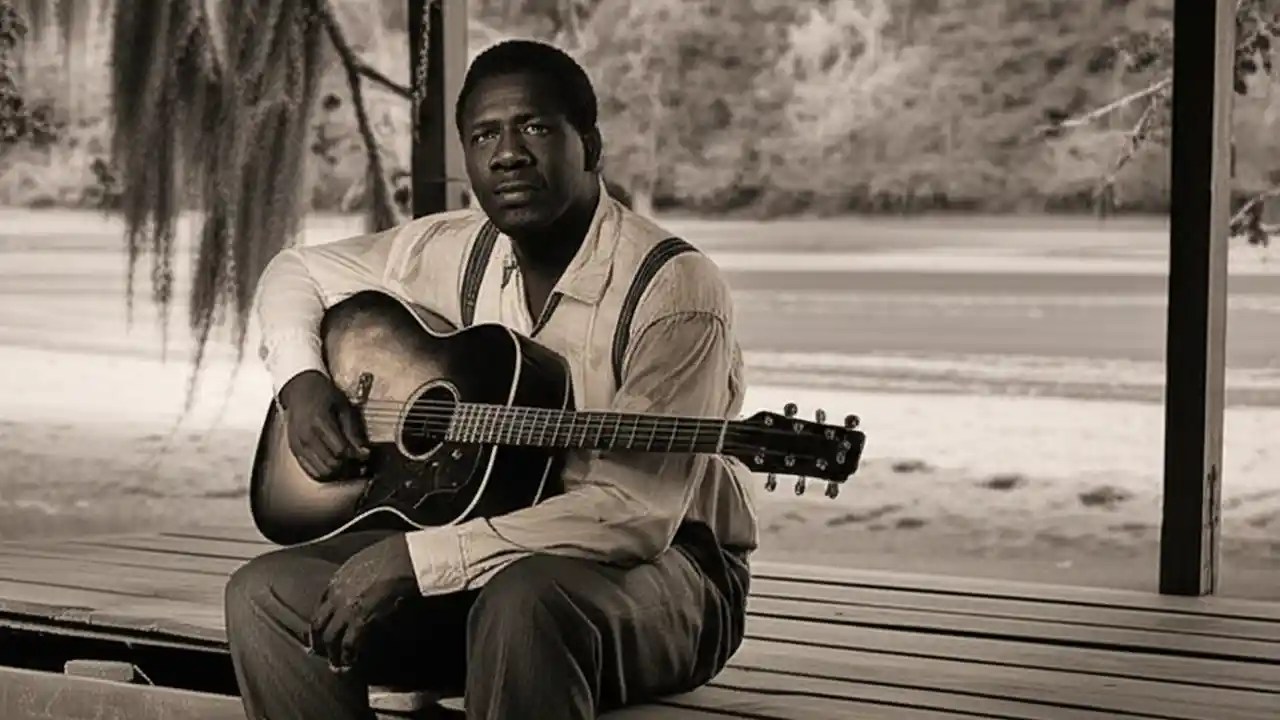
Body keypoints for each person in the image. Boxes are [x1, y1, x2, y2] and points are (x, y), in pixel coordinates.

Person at [224, 39, 759, 720]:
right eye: (484, 135)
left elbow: (635, 514)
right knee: (265, 595)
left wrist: (418, 561)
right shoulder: (452, 249)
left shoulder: (674, 288)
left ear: (589, 146)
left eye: (534, 127)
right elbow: (294, 272)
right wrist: (302, 384)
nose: (508, 152)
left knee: (524, 600)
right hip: (478, 555)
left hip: (672, 577)